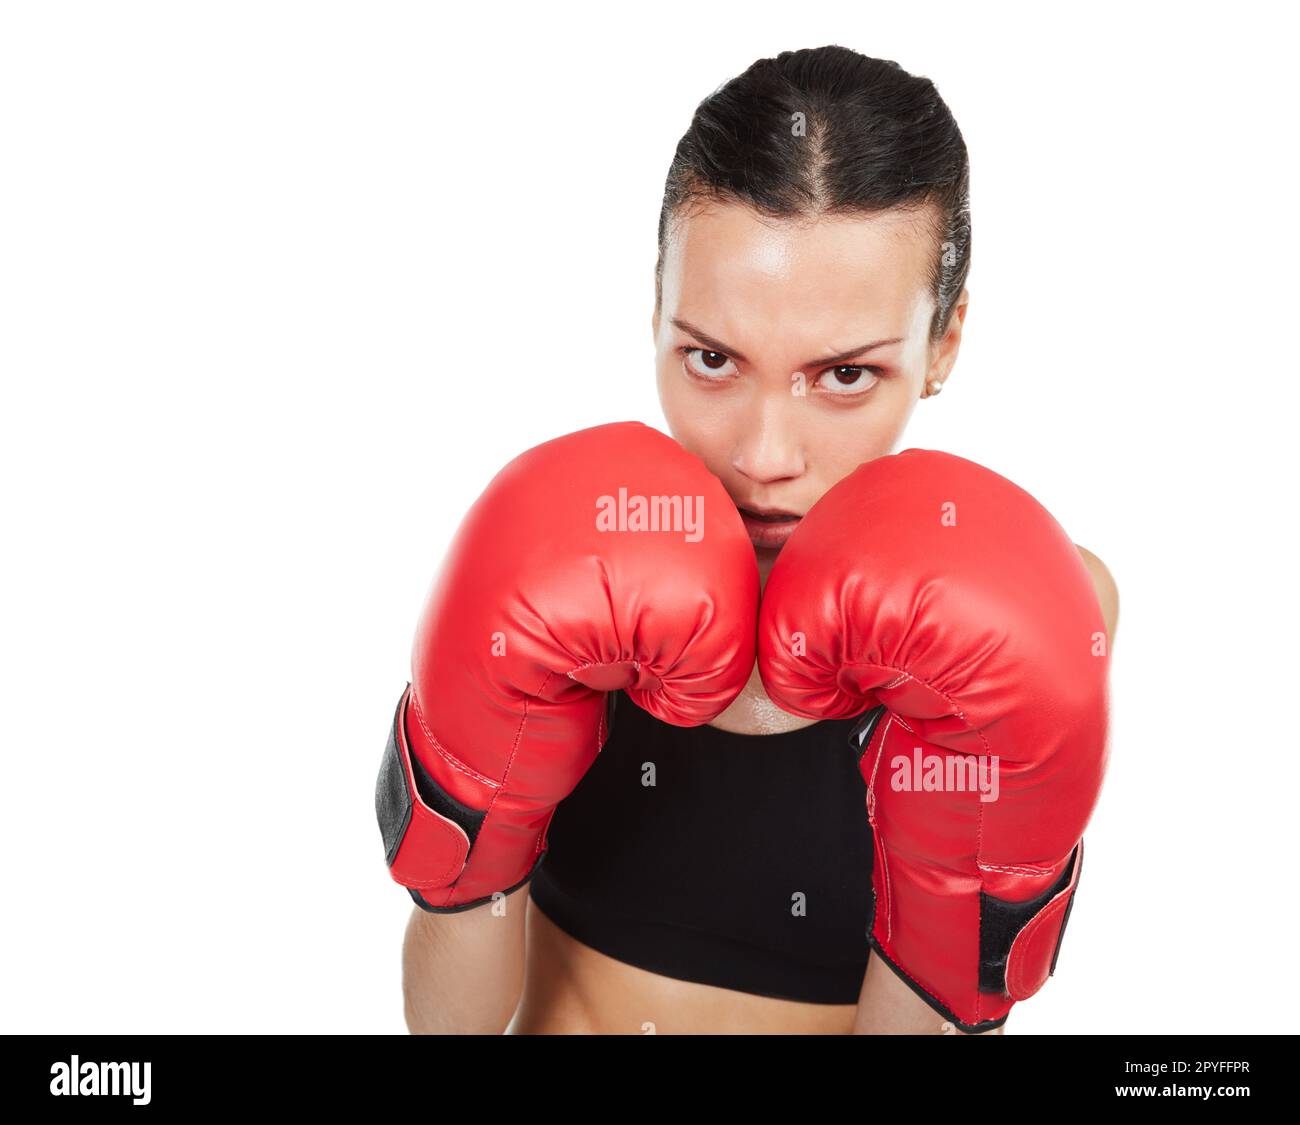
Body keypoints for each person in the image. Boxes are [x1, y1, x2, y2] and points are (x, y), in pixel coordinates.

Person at [378, 45, 1119, 1035]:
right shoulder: (559, 556)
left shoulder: (1038, 607)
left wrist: (958, 947)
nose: (768, 455)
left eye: (845, 376)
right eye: (712, 357)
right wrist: (463, 837)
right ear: (654, 316)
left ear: (940, 345)